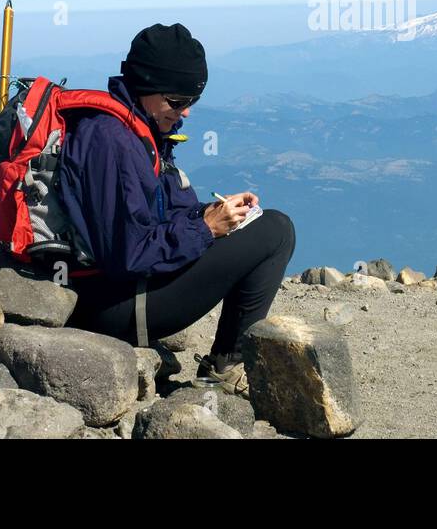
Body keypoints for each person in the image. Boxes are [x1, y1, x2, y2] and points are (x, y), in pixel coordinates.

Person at [57, 22, 295, 396]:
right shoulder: (112, 141)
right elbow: (128, 255)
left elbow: (164, 214)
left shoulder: (139, 127)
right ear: (144, 85)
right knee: (276, 232)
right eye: (175, 101)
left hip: (115, 292)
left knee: (267, 227)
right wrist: (206, 229)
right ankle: (227, 365)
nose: (184, 112)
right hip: (110, 306)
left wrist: (215, 213)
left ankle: (227, 362)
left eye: (191, 102)